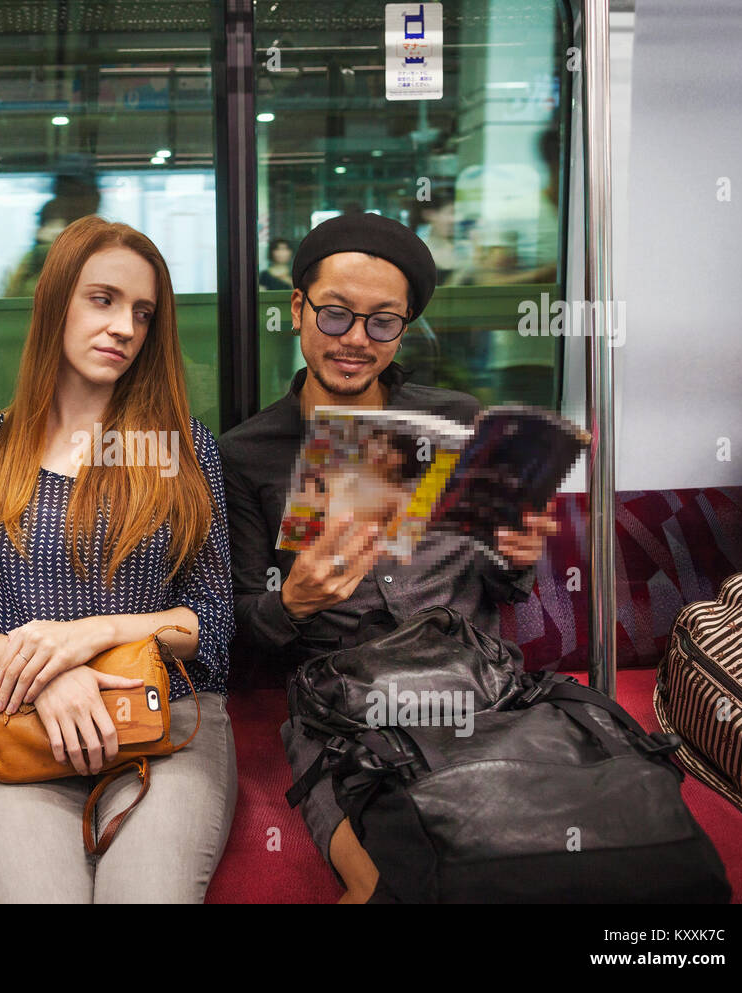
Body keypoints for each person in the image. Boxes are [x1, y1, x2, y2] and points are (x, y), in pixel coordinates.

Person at [217, 212, 559, 903]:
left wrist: (516, 558)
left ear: (403, 328)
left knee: (539, 862)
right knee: (400, 883)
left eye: (382, 323)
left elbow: (501, 585)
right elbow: (237, 629)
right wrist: (293, 603)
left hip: (477, 692)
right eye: (337, 315)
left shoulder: (453, 421)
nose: (354, 341)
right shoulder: (246, 453)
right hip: (344, 711)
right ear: (297, 309)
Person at [0, 215, 236, 903]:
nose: (125, 326)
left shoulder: (182, 445)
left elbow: (210, 625)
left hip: (165, 720)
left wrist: (90, 635)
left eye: (143, 312)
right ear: (55, 302)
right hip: (22, 715)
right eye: (103, 299)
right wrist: (44, 677)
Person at [3, 197, 76, 297]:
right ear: (40, 231)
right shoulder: (30, 259)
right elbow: (12, 295)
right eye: (51, 226)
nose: (56, 231)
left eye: (61, 225)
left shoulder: (75, 261)